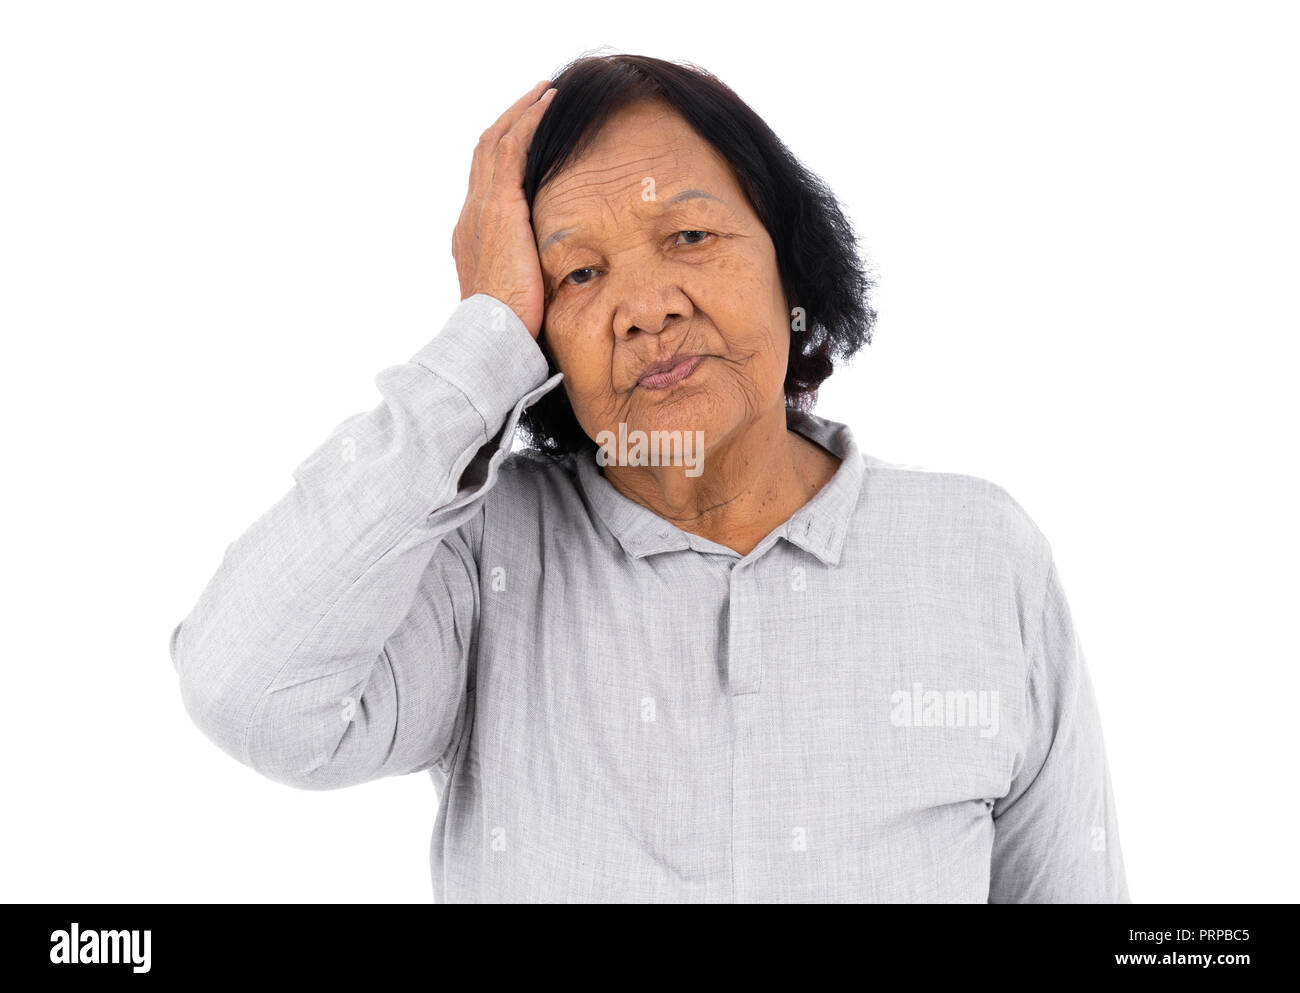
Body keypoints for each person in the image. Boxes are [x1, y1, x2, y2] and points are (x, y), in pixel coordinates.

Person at [169, 54, 1130, 903]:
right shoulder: (482, 558)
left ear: (788, 267)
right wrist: (479, 346)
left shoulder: (981, 553)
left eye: (690, 239)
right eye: (577, 276)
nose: (645, 308)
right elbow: (247, 688)